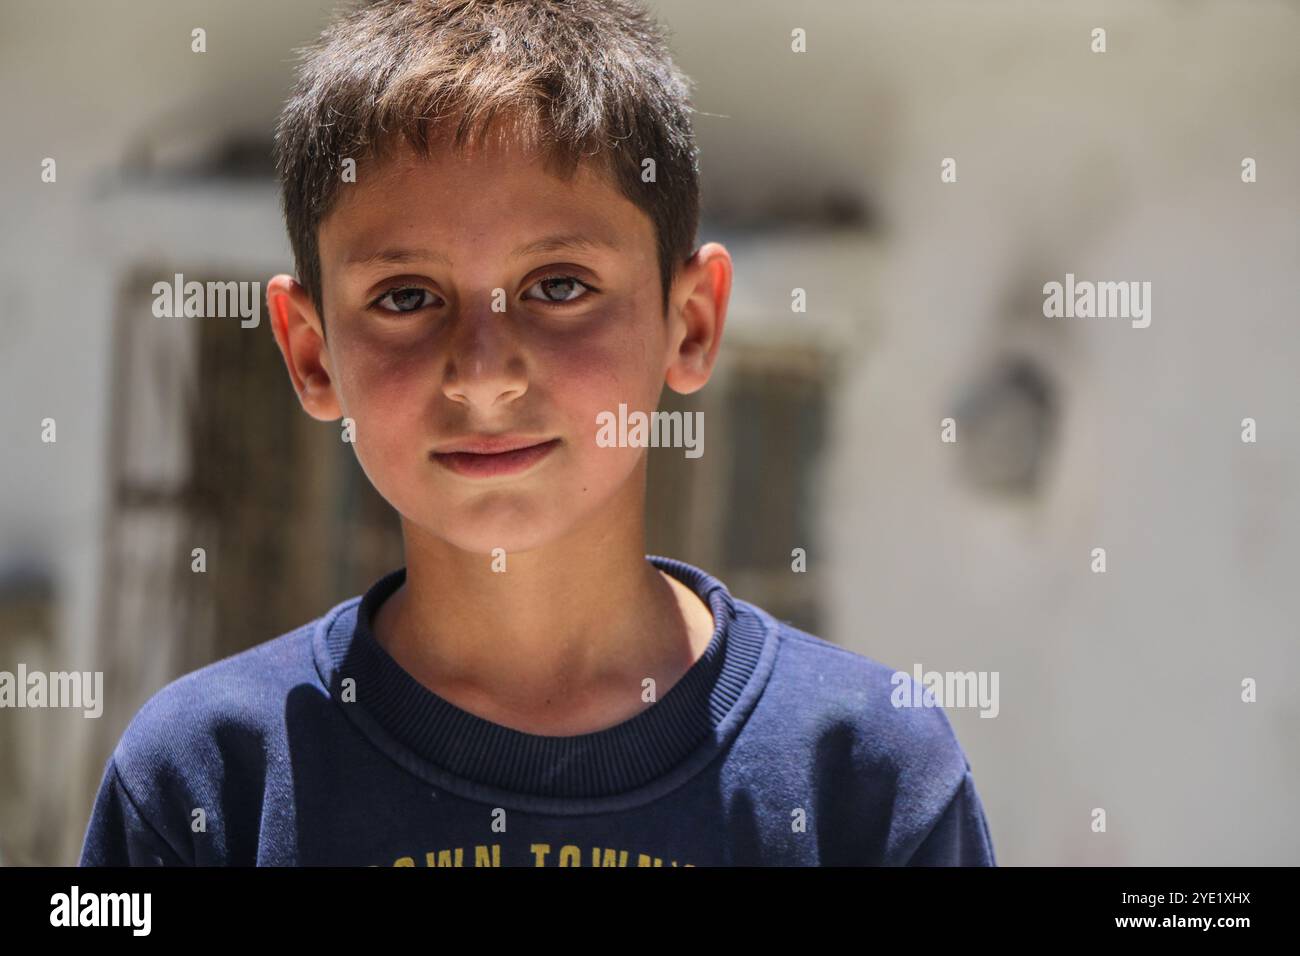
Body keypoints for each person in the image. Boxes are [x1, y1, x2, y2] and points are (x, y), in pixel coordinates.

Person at [79, 0, 994, 866]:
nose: (483, 374)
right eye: (406, 299)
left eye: (560, 286)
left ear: (693, 324)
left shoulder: (864, 773)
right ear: (312, 354)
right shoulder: (207, 780)